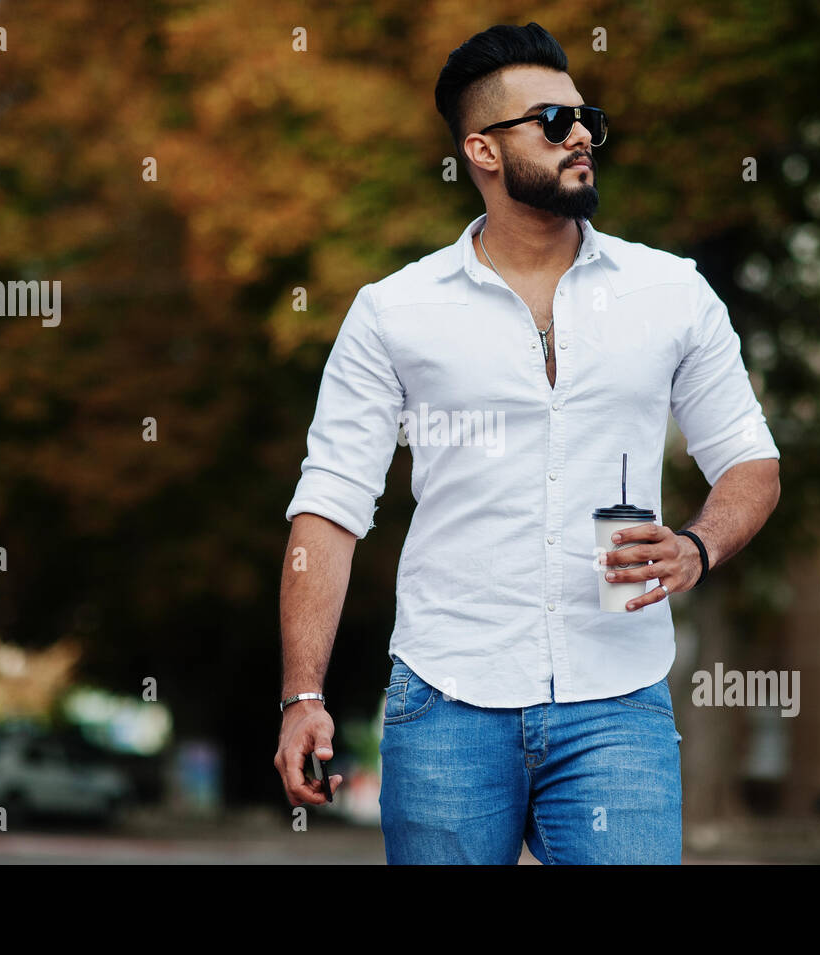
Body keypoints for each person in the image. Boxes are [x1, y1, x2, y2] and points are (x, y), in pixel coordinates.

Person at [274, 21, 780, 864]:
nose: (580, 133)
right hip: (446, 696)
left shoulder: (672, 292)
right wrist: (302, 693)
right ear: (482, 150)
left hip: (618, 701)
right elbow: (327, 508)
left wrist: (699, 546)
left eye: (585, 117)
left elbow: (751, 461)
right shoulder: (394, 311)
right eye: (551, 121)